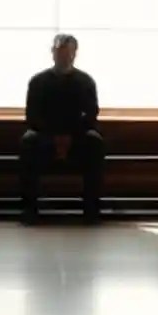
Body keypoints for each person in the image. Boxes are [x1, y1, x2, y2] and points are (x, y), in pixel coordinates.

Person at [20, 33, 104, 224]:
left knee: (95, 144)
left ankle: (91, 210)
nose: (63, 56)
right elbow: (32, 116)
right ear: (52, 53)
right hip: (45, 138)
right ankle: (29, 210)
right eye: (59, 52)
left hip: (77, 138)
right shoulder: (38, 82)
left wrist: (70, 136)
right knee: (27, 143)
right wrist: (54, 137)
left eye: (67, 53)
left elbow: (91, 114)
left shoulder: (85, 82)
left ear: (75, 54)